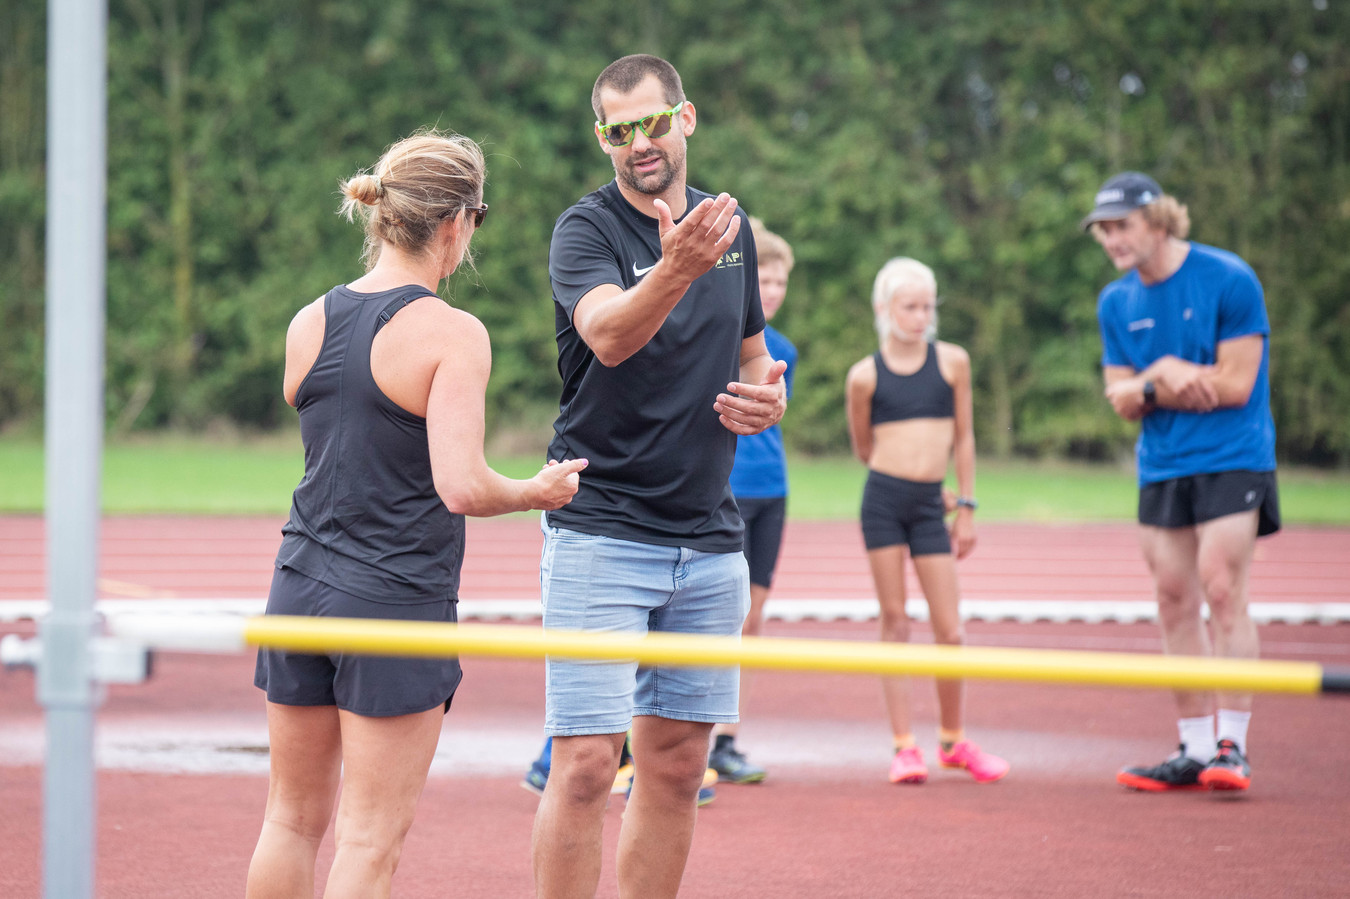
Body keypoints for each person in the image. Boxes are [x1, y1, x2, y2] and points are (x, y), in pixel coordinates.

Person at [245, 129, 586, 899]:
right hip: (392, 599)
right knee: (368, 839)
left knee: (289, 821)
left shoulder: (309, 321)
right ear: (457, 224)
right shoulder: (452, 333)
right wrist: (535, 488)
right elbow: (461, 485)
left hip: (296, 589)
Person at [530, 54, 787, 899]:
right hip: (600, 523)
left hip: (709, 535)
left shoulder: (730, 228)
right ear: (601, 137)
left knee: (677, 767)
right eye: (618, 128)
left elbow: (754, 353)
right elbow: (607, 334)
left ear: (686, 117)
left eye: (652, 121)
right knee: (584, 765)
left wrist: (766, 400)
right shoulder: (586, 230)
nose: (639, 142)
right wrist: (675, 267)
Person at [1084, 171, 1279, 793]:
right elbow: (1120, 396)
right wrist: (1158, 381)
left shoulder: (1228, 278)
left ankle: (1234, 746)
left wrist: (1162, 375)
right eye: (1103, 231)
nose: (1111, 239)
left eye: (1122, 226)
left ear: (1159, 221)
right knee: (1173, 596)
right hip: (1163, 463)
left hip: (1233, 455)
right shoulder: (1116, 301)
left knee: (1222, 589)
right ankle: (1195, 747)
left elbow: (1237, 383)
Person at [844, 257, 1010, 786]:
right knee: (895, 622)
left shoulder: (953, 363)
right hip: (884, 504)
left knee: (951, 629)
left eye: (927, 306)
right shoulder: (864, 376)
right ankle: (904, 746)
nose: (920, 316)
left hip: (933, 508)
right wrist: (904, 475)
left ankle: (953, 739)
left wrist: (966, 506)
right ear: (884, 309)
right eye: (909, 307)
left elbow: (964, 437)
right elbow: (864, 447)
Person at [708, 217, 799, 785]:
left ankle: (727, 741)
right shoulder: (720, 333)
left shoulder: (782, 346)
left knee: (754, 618)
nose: (772, 293)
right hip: (729, 489)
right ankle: (687, 736)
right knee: (718, 614)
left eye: (782, 283)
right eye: (763, 280)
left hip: (774, 491)